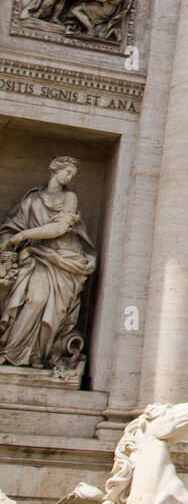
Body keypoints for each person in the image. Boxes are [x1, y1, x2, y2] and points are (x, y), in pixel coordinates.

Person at [0, 156, 96, 371]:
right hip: (35, 256)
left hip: (62, 259)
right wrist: (10, 241)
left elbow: (59, 228)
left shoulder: (69, 197)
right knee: (29, 299)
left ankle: (36, 355)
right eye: (67, 172)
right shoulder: (31, 200)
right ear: (54, 170)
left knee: (43, 303)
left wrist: (23, 235)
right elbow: (10, 228)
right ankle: (12, 352)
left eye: (72, 174)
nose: (69, 177)